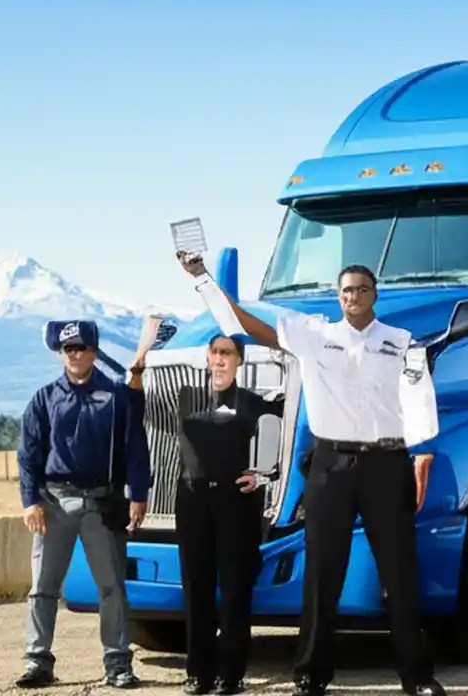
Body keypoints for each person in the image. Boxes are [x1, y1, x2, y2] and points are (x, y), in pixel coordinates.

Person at [176, 252, 444, 696]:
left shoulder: (402, 340)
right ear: (338, 297)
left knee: (399, 572)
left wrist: (424, 454)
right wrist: (203, 279)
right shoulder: (314, 335)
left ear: (374, 294)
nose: (352, 297)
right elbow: (242, 323)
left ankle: (417, 677)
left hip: (386, 463)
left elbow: (419, 397)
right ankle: (310, 674)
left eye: (360, 289)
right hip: (330, 465)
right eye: (345, 291)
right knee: (323, 573)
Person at [16, 319, 151, 690]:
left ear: (94, 351)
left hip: (101, 503)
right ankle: (37, 661)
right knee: (42, 587)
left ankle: (117, 662)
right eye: (68, 349)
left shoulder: (115, 396)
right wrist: (30, 501)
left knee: (111, 587)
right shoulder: (43, 399)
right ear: (61, 354)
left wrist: (138, 494)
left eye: (81, 348)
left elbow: (136, 448)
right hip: (53, 503)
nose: (74, 355)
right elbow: (28, 455)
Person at [175, 334, 286, 695]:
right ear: (207, 357)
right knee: (196, 588)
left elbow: (285, 439)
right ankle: (197, 672)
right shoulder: (185, 398)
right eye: (215, 353)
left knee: (236, 589)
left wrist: (264, 474)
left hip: (236, 503)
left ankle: (231, 674)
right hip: (192, 501)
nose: (220, 360)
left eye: (228, 354)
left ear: (240, 360)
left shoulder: (255, 404)